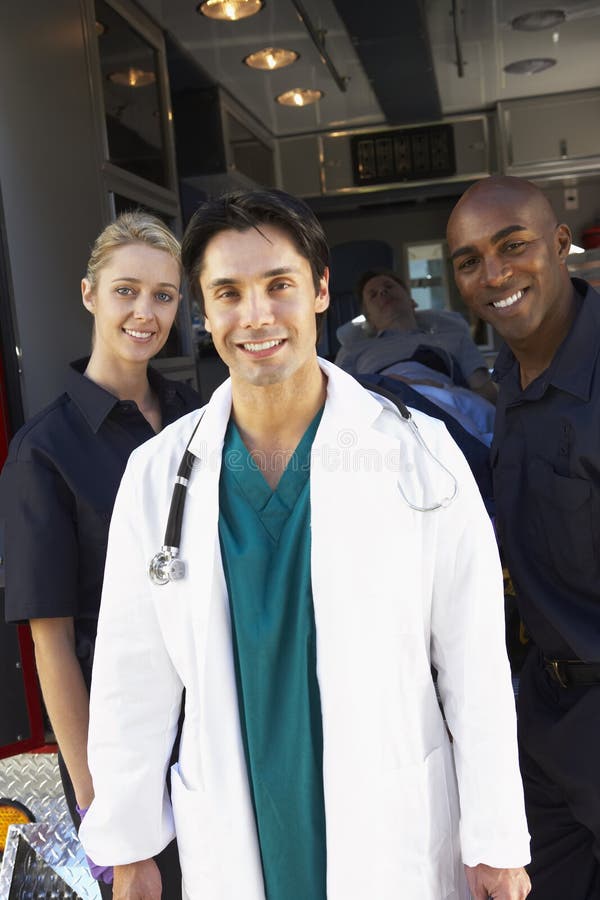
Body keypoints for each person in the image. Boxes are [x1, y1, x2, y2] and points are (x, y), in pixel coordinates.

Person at [80, 189, 530, 900]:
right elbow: (132, 680)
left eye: (278, 286)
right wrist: (129, 848)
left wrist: (496, 841)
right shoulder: (159, 476)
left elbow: (474, 666)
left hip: (394, 834)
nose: (255, 316)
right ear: (202, 310)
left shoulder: (422, 455)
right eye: (227, 293)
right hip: (236, 833)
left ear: (320, 291)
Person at [0, 211, 200, 897]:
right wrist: (102, 813)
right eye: (126, 291)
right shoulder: (44, 451)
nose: (145, 312)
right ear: (89, 294)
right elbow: (50, 644)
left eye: (164, 295)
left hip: (216, 737)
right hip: (125, 759)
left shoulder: (198, 417)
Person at [447, 175, 600, 899]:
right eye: (470, 260)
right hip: (539, 720)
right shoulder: (505, 374)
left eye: (513, 247)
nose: (494, 274)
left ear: (561, 246)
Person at [335, 267, 497, 404]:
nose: (382, 292)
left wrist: (440, 390)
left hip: (448, 404)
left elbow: (488, 395)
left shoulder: (454, 338)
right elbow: (337, 399)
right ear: (369, 318)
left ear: (412, 301)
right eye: (373, 294)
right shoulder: (353, 350)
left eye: (389, 286)